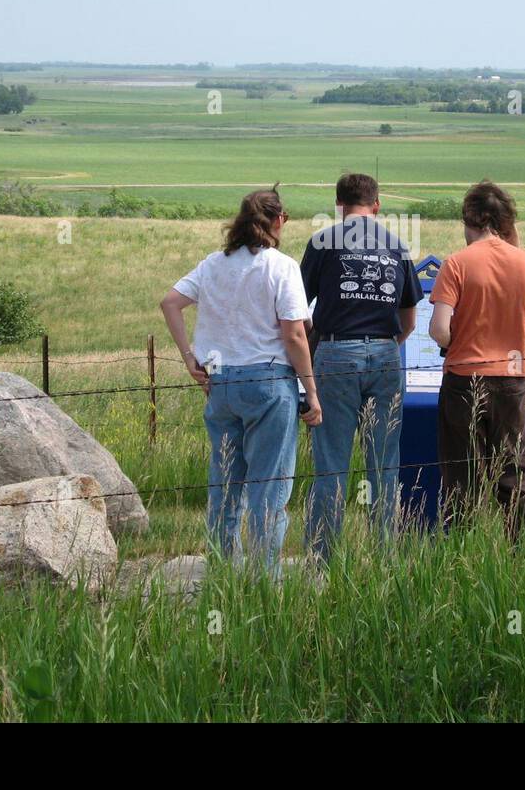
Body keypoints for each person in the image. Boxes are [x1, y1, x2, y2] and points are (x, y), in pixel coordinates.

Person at [160, 187, 321, 573]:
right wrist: (311, 391)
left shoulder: (214, 264)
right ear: (278, 220)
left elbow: (170, 302)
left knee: (226, 481)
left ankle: (221, 565)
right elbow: (295, 334)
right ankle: (265, 574)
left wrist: (189, 358)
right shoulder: (281, 266)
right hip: (269, 380)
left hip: (220, 380)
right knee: (270, 485)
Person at [300, 173, 421, 563]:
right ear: (376, 205)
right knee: (384, 462)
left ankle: (323, 559)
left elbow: (298, 308)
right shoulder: (398, 245)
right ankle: (384, 556)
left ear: (339, 206)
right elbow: (411, 320)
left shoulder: (323, 242)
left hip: (335, 354)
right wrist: (384, 346)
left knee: (331, 463)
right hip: (386, 355)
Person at [428, 180, 525, 541]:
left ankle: (464, 548)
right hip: (511, 378)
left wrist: (454, 341)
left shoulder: (456, 265)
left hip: (464, 378)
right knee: (514, 471)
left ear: (468, 220)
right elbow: (519, 265)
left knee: (463, 474)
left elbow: (438, 330)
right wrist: (509, 235)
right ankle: (521, 550)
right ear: (506, 222)